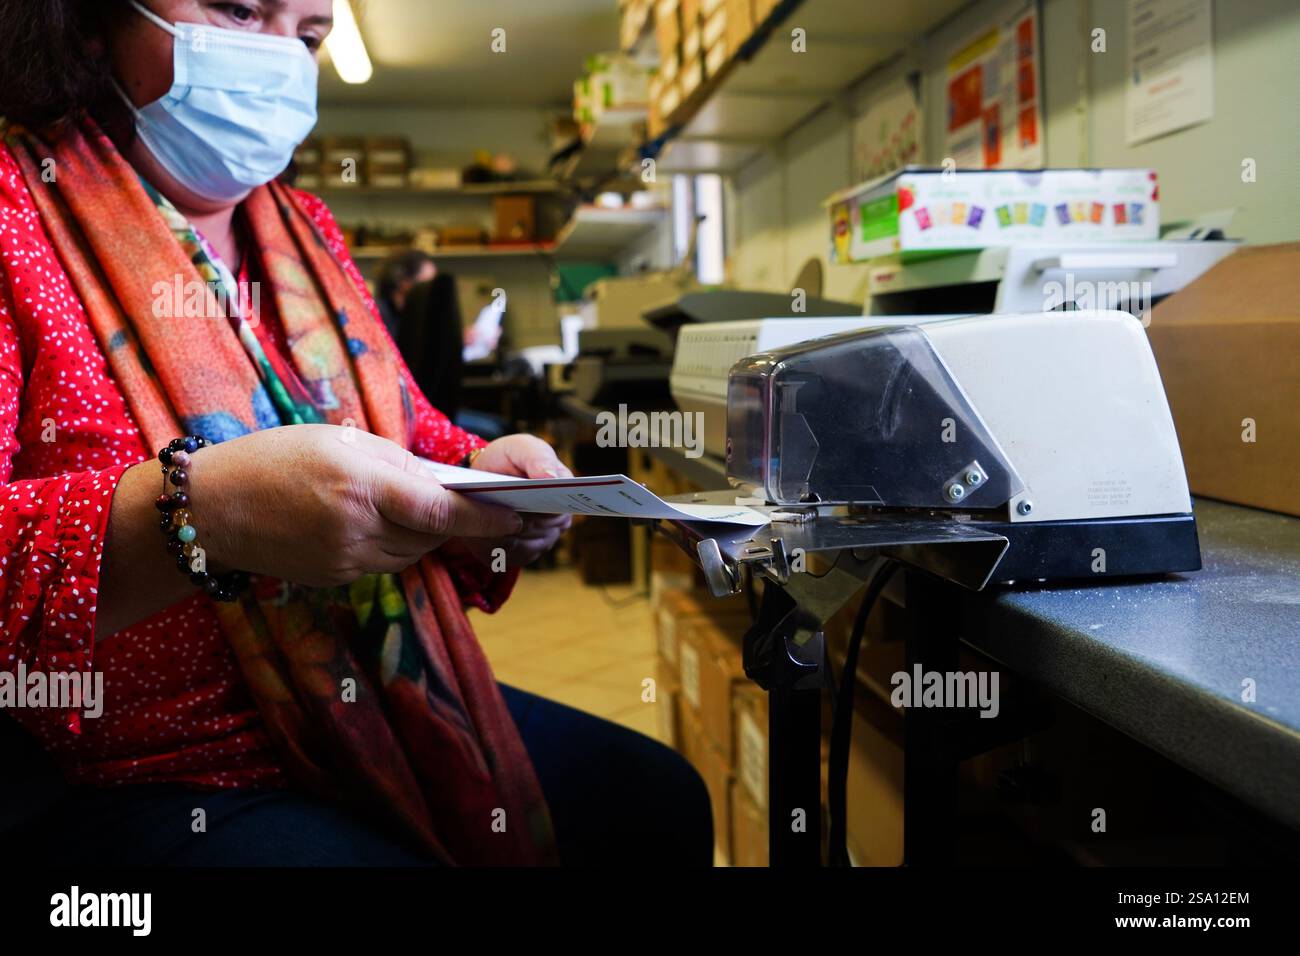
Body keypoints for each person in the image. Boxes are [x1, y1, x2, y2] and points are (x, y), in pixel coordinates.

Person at [0, 0, 711, 866]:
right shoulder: (14, 210)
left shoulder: (305, 231)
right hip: (148, 767)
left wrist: (488, 473)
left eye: (307, 37)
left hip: (370, 696)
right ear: (88, 17)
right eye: (238, 9)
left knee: (655, 800)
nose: (276, 60)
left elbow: (408, 433)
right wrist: (207, 515)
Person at [374, 248, 435, 342]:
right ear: (404, 281)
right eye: (428, 283)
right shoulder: (377, 317)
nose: (433, 290)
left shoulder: (416, 315)